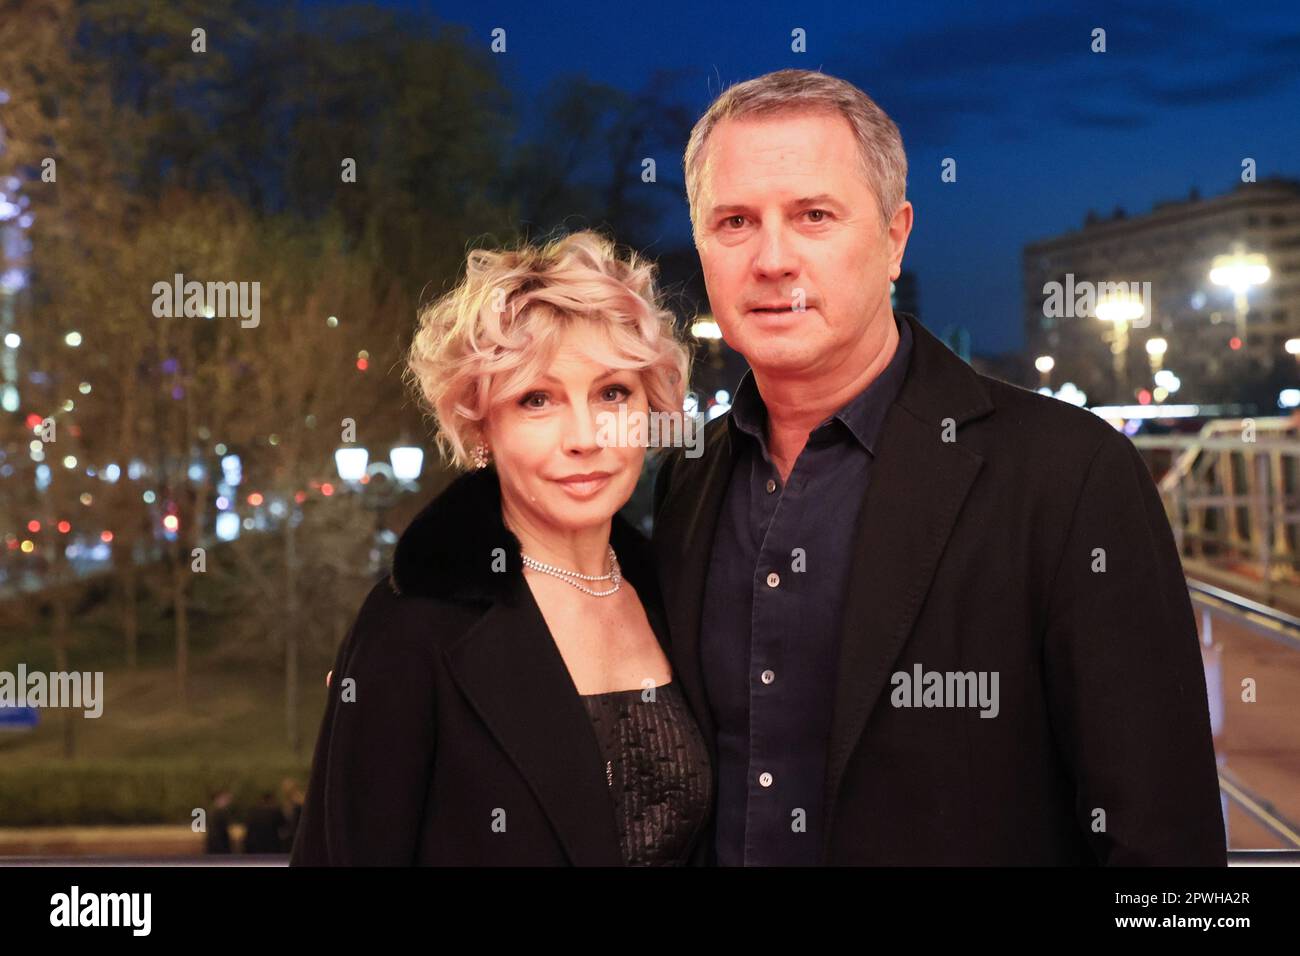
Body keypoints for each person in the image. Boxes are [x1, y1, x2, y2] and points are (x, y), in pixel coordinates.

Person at [652, 68, 1226, 865]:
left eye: (814, 215)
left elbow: (1166, 839)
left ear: (895, 238)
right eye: (735, 222)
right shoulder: (686, 478)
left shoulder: (1069, 474)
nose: (772, 258)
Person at [291, 230, 710, 865]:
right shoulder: (412, 629)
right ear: (481, 425)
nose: (585, 437)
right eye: (537, 399)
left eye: (612, 393)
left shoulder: (678, 595)